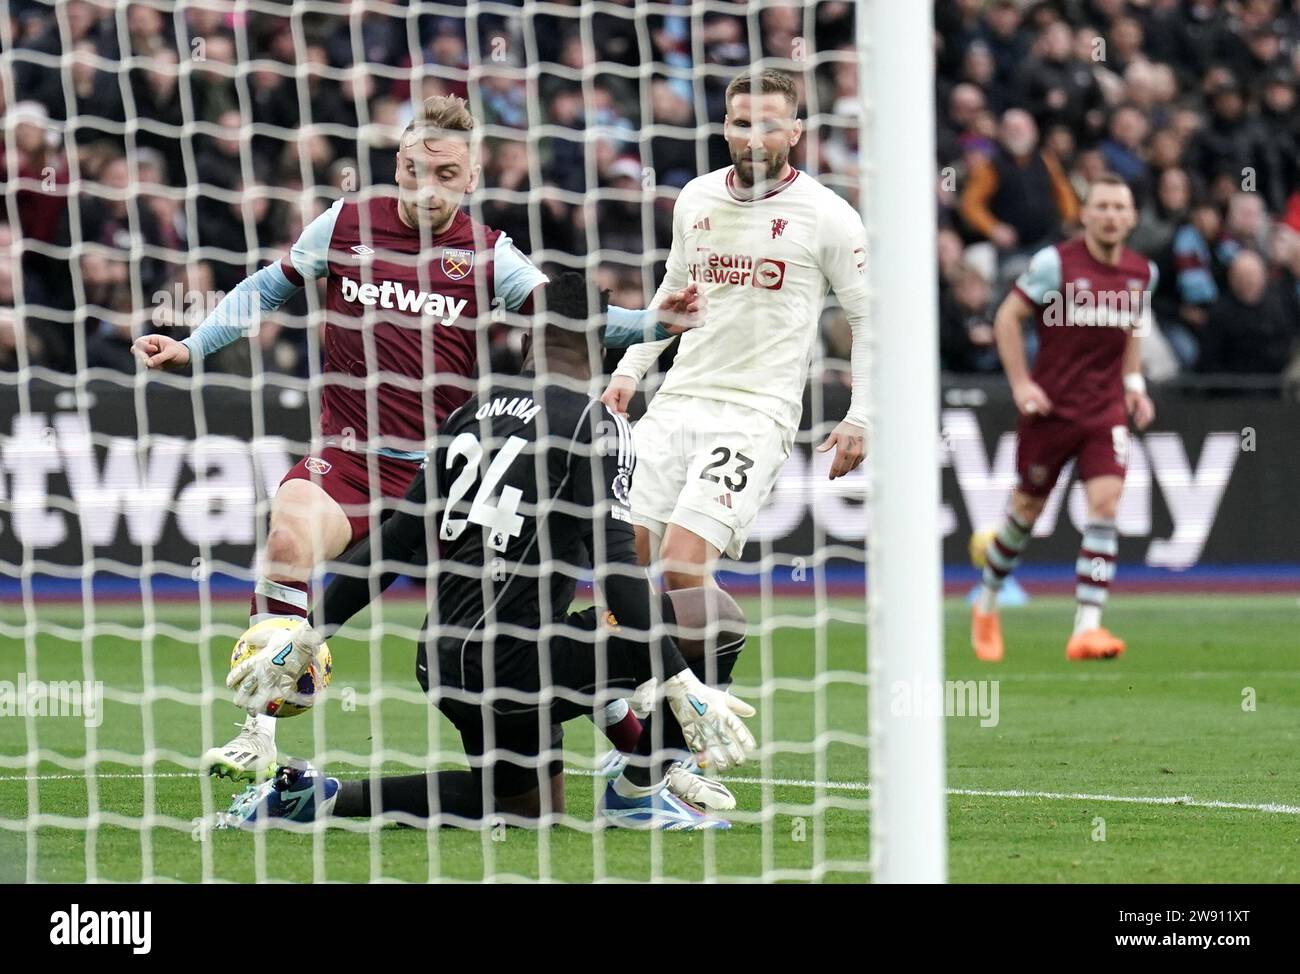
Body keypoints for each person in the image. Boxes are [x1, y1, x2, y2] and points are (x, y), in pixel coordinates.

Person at [131, 95, 703, 781]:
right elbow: (268, 287)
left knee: (529, 628)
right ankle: (258, 732)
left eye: (443, 173)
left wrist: (652, 324)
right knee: (287, 544)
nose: (423, 187)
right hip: (349, 461)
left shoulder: (487, 255)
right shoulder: (345, 224)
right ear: (396, 165)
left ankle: (646, 756)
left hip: (448, 480)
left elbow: (568, 318)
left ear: (469, 179)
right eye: (410, 169)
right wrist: (194, 346)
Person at [222, 274, 755, 831]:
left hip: (443, 662)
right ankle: (641, 791)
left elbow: (396, 542)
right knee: (715, 616)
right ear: (602, 344)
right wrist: (681, 681)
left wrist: (309, 633)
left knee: (526, 810)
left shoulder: (468, 414)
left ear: (528, 338)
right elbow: (617, 569)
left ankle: (317, 799)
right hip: (517, 665)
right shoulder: (595, 424)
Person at [600, 67, 871, 592]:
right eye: (742, 123)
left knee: (681, 565)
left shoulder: (829, 216)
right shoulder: (696, 198)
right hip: (678, 397)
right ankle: (631, 677)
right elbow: (671, 292)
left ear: (795, 131)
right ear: (725, 126)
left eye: (769, 125)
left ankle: (706, 678)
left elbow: (867, 319)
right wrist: (630, 371)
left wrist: (859, 415)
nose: (754, 138)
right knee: (621, 561)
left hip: (755, 411)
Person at [973, 173, 1157, 662]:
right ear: (1085, 213)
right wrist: (1021, 384)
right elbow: (1007, 317)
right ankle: (988, 601)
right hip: (1051, 410)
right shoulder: (1056, 264)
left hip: (1105, 410)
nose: (1112, 215)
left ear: (1132, 216)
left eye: (1121, 207)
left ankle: (1087, 628)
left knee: (1106, 505)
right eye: (1103, 206)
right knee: (1026, 514)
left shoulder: (1142, 273)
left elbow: (1132, 329)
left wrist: (1134, 386)